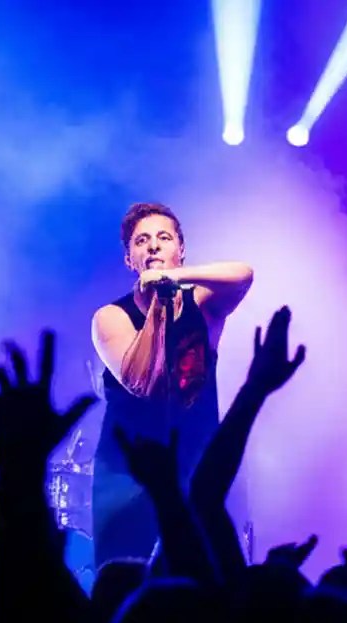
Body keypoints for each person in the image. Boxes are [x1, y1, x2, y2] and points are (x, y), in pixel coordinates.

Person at [90, 202, 253, 567]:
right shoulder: (111, 317)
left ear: (180, 251)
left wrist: (176, 280)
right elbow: (142, 381)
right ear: (130, 259)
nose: (152, 247)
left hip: (196, 463)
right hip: (127, 475)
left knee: (202, 582)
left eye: (164, 238)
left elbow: (243, 274)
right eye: (141, 241)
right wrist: (158, 306)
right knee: (125, 587)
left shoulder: (205, 305)